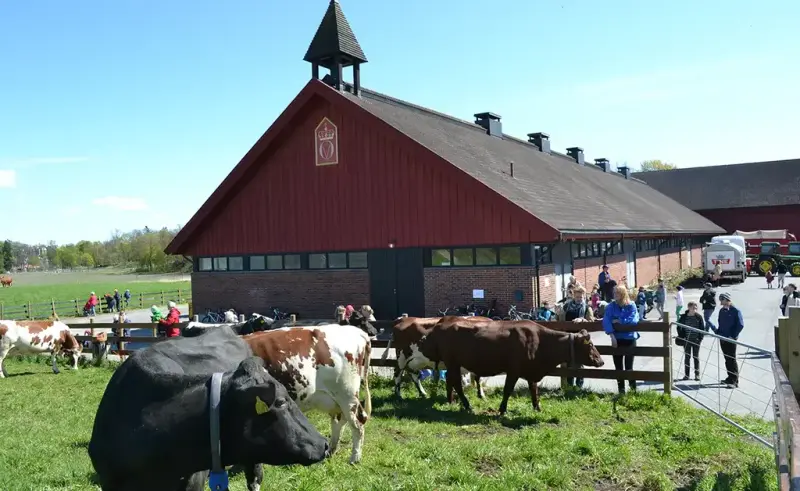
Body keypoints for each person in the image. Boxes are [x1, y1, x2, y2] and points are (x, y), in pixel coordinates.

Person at [603, 285, 641, 394]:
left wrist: (620, 320)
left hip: (629, 339)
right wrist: (612, 335)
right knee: (618, 366)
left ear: (623, 294)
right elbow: (606, 320)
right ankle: (621, 390)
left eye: (617, 293)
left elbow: (634, 319)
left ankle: (633, 390)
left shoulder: (631, 305)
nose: (614, 295)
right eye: (614, 293)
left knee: (629, 366)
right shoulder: (611, 306)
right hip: (617, 339)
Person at [562, 286, 594, 388]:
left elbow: (591, 321)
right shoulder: (567, 306)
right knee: (569, 361)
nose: (579, 299)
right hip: (568, 337)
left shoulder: (586, 308)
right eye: (577, 297)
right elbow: (560, 318)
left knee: (579, 361)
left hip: (580, 338)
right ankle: (569, 385)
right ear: (573, 296)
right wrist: (558, 313)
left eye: (581, 297)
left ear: (584, 296)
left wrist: (582, 320)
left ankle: (579, 385)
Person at [714, 292, 744, 388]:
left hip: (731, 339)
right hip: (722, 338)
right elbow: (720, 323)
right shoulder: (722, 311)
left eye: (722, 300)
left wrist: (733, 335)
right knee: (726, 358)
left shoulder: (735, 311)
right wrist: (718, 333)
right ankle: (729, 377)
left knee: (731, 359)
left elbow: (740, 325)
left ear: (727, 300)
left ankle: (735, 381)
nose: (721, 302)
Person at [677, 302, 707, 381]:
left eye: (696, 308)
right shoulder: (683, 317)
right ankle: (686, 375)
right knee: (687, 357)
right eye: (693, 308)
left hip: (696, 340)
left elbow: (702, 329)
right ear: (689, 308)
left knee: (695, 357)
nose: (695, 310)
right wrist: (682, 336)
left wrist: (700, 338)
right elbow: (679, 327)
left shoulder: (699, 317)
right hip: (686, 340)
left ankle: (697, 375)